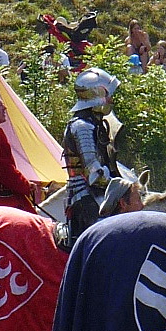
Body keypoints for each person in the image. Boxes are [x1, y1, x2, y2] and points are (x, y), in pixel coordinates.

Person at [61, 67, 126, 246]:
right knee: (106, 243)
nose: (111, 100)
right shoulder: (82, 126)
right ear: (97, 94)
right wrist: (123, 184)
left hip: (97, 195)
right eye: (108, 95)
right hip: (85, 198)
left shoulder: (94, 124)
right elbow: (94, 174)